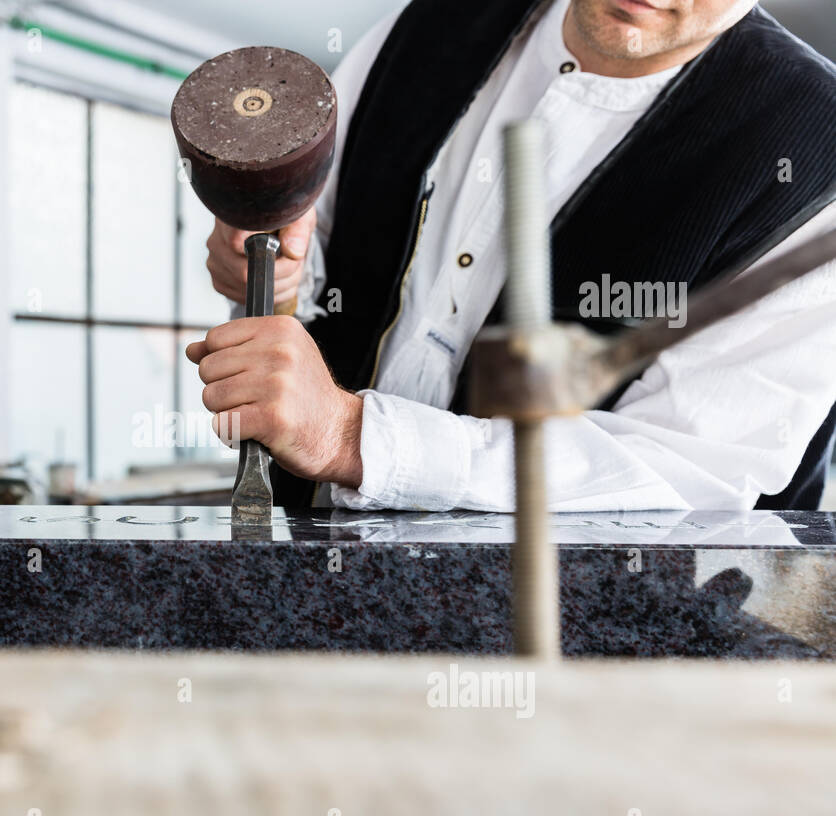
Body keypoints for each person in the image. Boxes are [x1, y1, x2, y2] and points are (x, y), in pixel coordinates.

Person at [188, 0, 836, 511]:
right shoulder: (429, 25)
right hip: (312, 580)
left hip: (604, 642)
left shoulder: (816, 152)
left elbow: (684, 467)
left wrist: (352, 437)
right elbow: (321, 242)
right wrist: (281, 273)